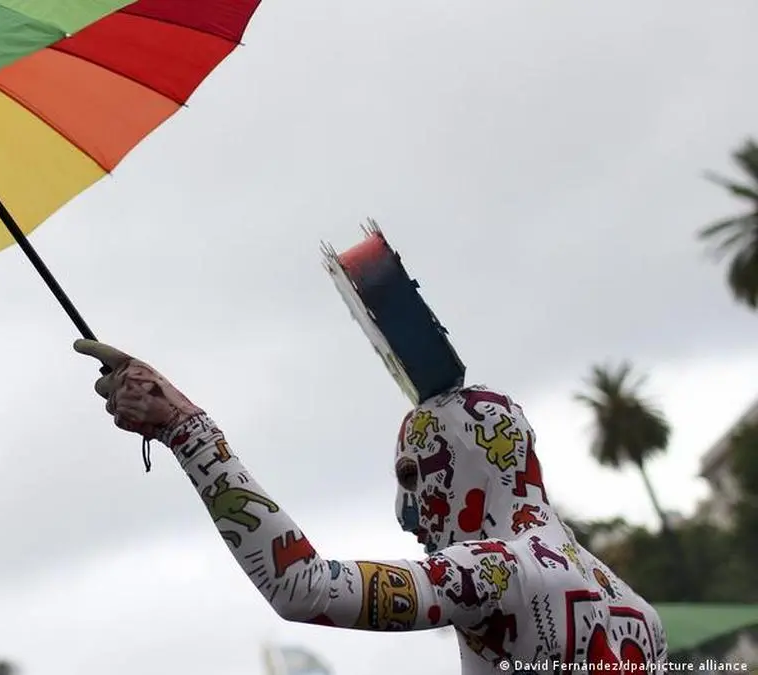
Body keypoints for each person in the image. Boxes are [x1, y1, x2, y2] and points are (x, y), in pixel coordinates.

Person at [73, 227, 668, 673]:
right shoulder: (634, 610)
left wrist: (185, 428)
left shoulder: (498, 570)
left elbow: (302, 587)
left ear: (461, 463)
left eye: (412, 477)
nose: (407, 514)